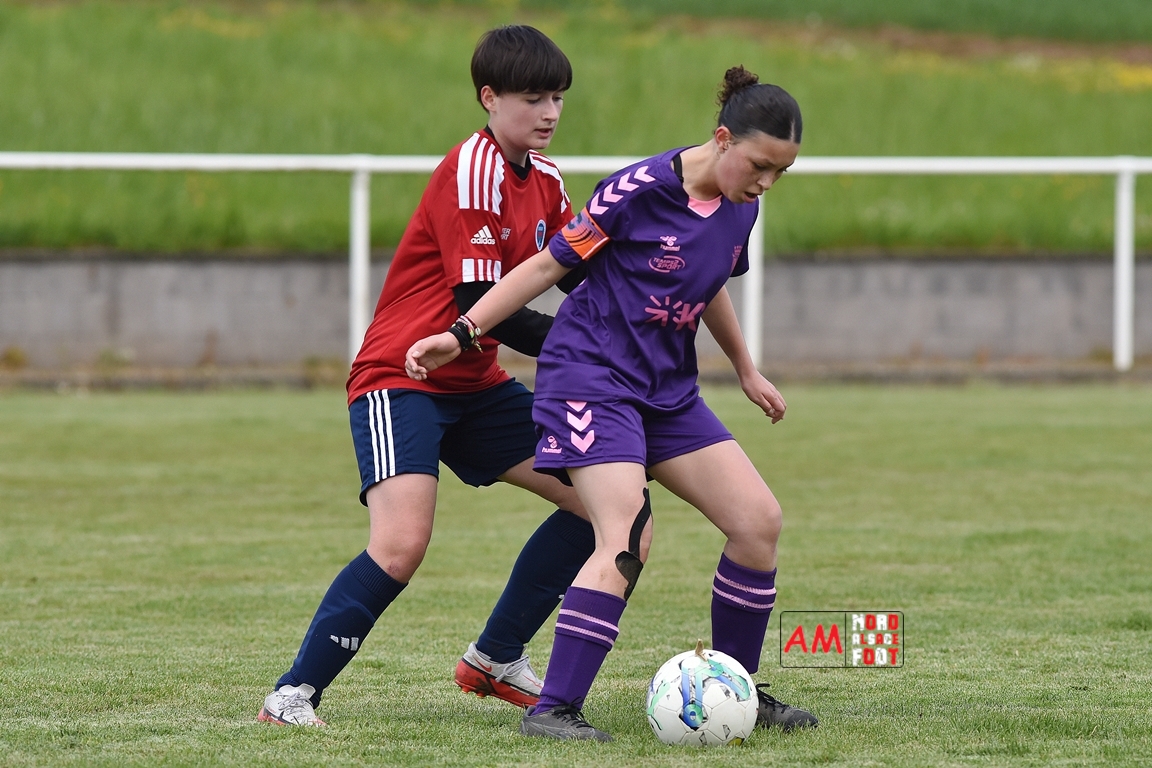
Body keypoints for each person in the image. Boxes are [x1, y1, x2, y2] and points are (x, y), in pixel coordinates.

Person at [406, 66, 820, 741]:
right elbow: (546, 268)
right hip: (591, 379)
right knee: (624, 532)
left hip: (666, 391)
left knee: (758, 523)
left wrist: (745, 369)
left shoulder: (742, 202)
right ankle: (554, 709)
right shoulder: (636, 192)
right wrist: (464, 333)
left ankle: (734, 692)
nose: (767, 183)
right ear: (723, 138)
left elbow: (709, 280)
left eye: (782, 172)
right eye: (761, 165)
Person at [258, 25, 607, 726]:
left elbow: (584, 279)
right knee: (400, 545)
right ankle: (291, 695)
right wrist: (583, 350)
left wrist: (644, 316)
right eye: (533, 97)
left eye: (558, 98)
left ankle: (495, 658)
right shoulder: (472, 169)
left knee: (606, 505)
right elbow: (480, 311)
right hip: (402, 376)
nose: (549, 113)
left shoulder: (549, 180)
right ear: (489, 97)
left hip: (475, 384)